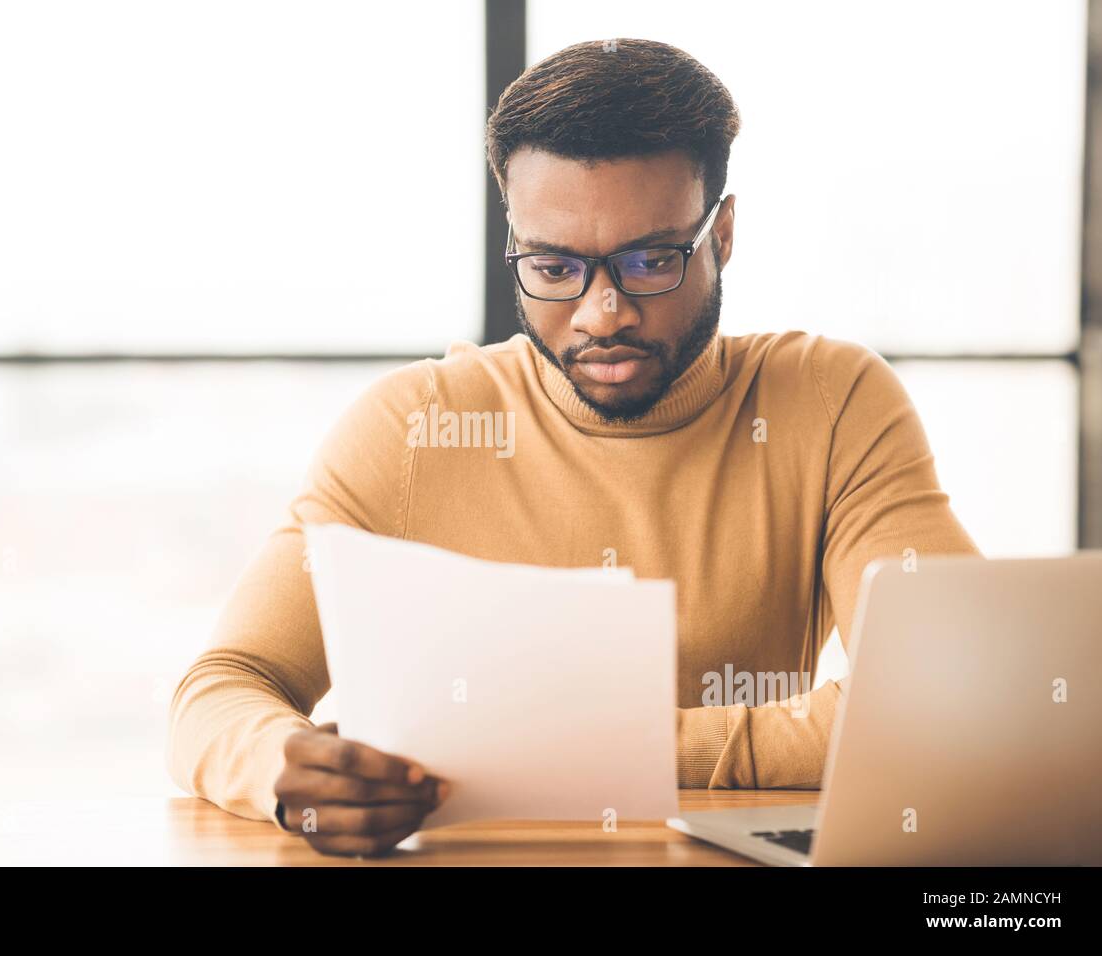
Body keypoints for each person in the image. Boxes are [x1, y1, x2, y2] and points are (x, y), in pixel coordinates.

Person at [166, 38, 978, 858]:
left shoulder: (830, 403)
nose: (602, 313)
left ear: (722, 235)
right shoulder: (412, 426)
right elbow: (223, 688)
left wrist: (608, 748)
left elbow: (951, 692)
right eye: (554, 267)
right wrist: (284, 767)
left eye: (651, 260)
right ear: (514, 243)